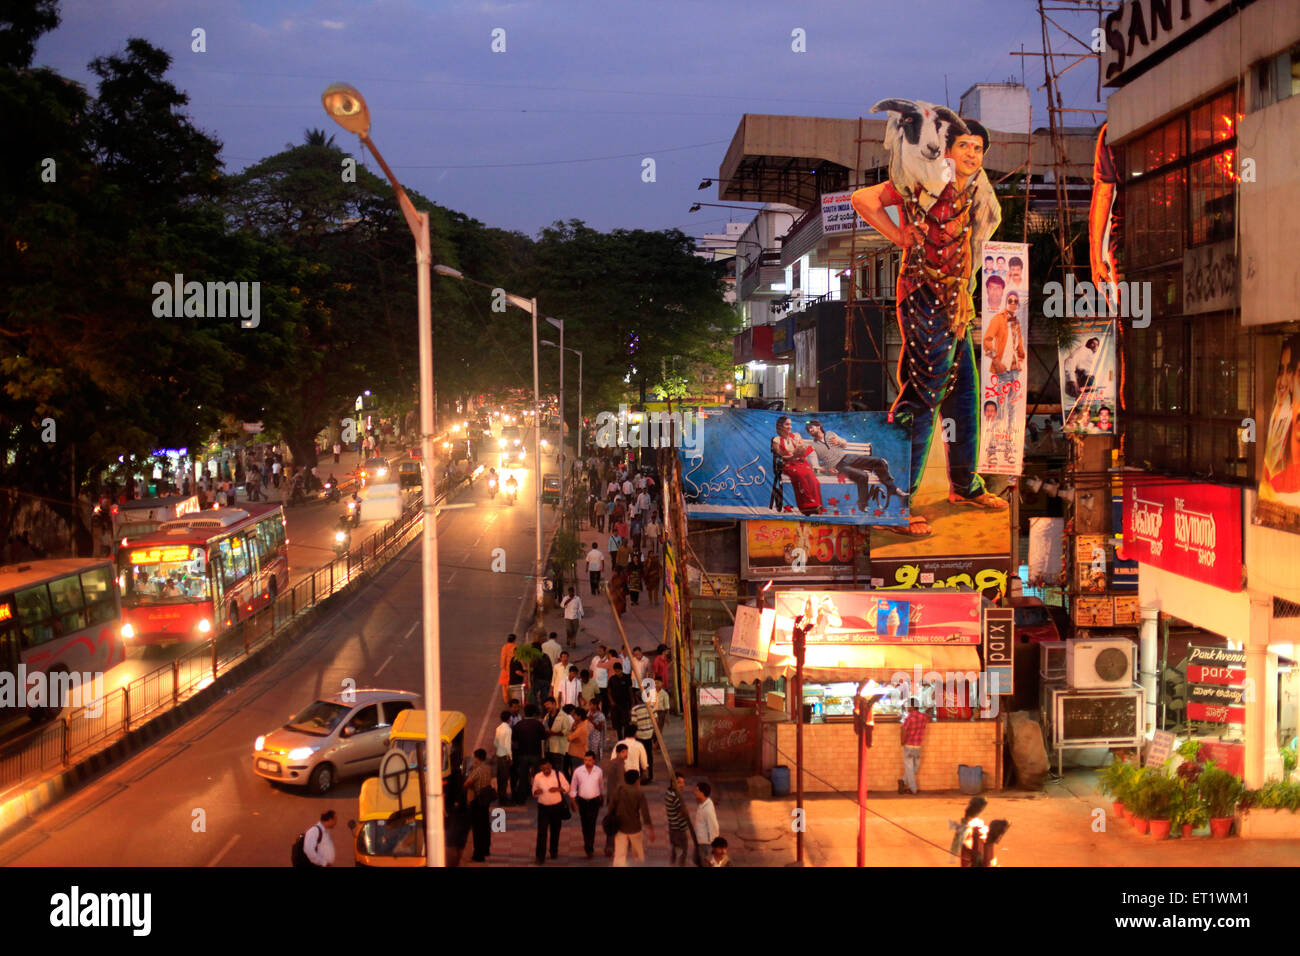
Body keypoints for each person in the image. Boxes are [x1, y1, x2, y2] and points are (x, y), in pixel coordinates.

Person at [851, 113, 1006, 536]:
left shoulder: (975, 188)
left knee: (963, 396)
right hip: (923, 298)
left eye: (978, 148)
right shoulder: (918, 181)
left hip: (957, 303)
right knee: (921, 399)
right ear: (947, 149)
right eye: (965, 147)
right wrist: (899, 237)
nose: (973, 154)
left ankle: (964, 484)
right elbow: (863, 200)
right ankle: (895, 501)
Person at [804, 419, 908, 511]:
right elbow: (815, 466)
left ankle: (892, 489)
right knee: (863, 476)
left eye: (811, 427)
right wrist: (827, 470)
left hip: (848, 457)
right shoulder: (813, 446)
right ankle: (862, 504)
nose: (809, 430)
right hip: (839, 466)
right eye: (808, 429)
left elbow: (844, 444)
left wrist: (839, 441)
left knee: (879, 461)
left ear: (818, 426)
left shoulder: (830, 434)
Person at [771, 416, 822, 515]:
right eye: (787, 424)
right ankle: (807, 506)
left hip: (801, 462)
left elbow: (803, 449)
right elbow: (781, 456)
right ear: (781, 426)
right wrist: (792, 456)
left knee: (813, 480)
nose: (789, 426)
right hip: (788, 464)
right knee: (800, 476)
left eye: (790, 424)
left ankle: (816, 504)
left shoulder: (796, 436)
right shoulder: (776, 440)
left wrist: (800, 449)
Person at [610, 769, 655, 866]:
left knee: (619, 855)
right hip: (635, 828)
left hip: (620, 827)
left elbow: (611, 808)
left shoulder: (618, 791)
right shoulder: (639, 793)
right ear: (636, 780)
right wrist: (650, 829)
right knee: (638, 853)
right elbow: (645, 813)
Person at [531, 758, 570, 864]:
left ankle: (553, 851)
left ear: (551, 766)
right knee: (542, 832)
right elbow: (533, 791)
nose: (546, 770)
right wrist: (536, 792)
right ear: (540, 769)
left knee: (555, 830)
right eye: (544, 769)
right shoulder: (538, 777)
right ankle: (540, 857)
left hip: (557, 807)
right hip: (543, 808)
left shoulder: (558, 774)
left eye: (548, 768)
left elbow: (567, 787)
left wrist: (557, 789)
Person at [570, 751, 605, 858]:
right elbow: (573, 787)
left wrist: (601, 797)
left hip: (594, 801)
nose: (587, 762)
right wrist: (573, 802)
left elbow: (601, 785)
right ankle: (587, 844)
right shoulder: (578, 771)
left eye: (590, 760)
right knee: (585, 824)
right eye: (585, 760)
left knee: (592, 823)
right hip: (583, 801)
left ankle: (590, 847)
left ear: (594, 760)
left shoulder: (598, 771)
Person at [511, 704, 548, 805]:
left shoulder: (519, 725)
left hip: (522, 754)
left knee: (523, 777)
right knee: (538, 776)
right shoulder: (538, 724)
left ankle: (521, 798)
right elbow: (544, 737)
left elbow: (514, 740)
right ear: (534, 713)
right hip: (536, 754)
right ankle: (540, 796)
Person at [465, 748, 495, 862]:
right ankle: (486, 849)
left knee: (477, 828)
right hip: (486, 800)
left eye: (474, 757)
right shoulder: (488, 768)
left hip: (477, 800)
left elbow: (468, 783)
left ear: (477, 758)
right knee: (485, 825)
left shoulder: (477, 770)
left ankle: (478, 854)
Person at [602, 743, 629, 857]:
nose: (626, 754)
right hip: (618, 799)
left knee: (612, 822)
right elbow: (621, 783)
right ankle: (614, 846)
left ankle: (610, 846)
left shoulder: (611, 763)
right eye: (624, 752)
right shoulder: (619, 764)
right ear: (620, 752)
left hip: (611, 797)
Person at [898, 697, 929, 795]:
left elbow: (903, 729)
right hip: (917, 746)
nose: (907, 707)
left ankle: (907, 784)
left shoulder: (909, 718)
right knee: (914, 767)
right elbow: (929, 716)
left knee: (910, 768)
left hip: (908, 746)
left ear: (912, 707)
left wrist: (902, 741)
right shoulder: (923, 717)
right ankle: (908, 785)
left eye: (908, 705)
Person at [951, 796, 989, 866]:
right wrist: (972, 852)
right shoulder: (964, 826)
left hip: (975, 852)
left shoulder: (975, 822)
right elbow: (961, 844)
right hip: (968, 857)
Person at [665, 772, 692, 866]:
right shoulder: (676, 797)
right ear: (673, 783)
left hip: (672, 827)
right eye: (679, 782)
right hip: (679, 829)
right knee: (683, 851)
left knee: (675, 847)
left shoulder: (668, 793)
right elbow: (682, 813)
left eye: (683, 782)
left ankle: (673, 862)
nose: (682, 785)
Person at [631, 692, 656, 782]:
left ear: (637, 698)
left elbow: (634, 723)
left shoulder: (635, 709)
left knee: (640, 756)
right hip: (649, 734)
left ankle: (642, 774)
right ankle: (650, 775)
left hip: (639, 736)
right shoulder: (651, 707)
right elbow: (655, 720)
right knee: (649, 755)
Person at [693, 782, 719, 867]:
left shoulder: (708, 809)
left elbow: (713, 826)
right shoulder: (703, 804)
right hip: (701, 841)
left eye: (697, 790)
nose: (695, 792)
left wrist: (713, 843)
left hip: (706, 843)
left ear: (702, 793)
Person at [493, 710, 513, 804]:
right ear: (509, 719)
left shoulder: (498, 728)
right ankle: (503, 798)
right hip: (505, 756)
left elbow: (495, 743)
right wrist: (511, 757)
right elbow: (508, 745)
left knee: (500, 777)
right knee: (505, 778)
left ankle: (500, 796)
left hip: (498, 754)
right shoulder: (508, 730)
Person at [608, 662, 633, 734]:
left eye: (618, 671)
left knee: (626, 722)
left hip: (625, 703)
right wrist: (611, 701)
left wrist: (632, 702)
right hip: (615, 705)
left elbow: (630, 690)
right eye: (615, 671)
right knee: (617, 724)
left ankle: (627, 738)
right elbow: (609, 692)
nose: (617, 673)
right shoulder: (612, 679)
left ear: (621, 670)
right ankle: (620, 739)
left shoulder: (627, 678)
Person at [565, 705, 589, 779]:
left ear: (580, 716)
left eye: (575, 715)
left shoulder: (581, 728)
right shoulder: (581, 724)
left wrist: (571, 729)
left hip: (578, 754)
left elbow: (569, 738)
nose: (573, 716)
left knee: (577, 775)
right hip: (578, 753)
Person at [497, 633, 518, 704]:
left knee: (504, 688)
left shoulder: (504, 647)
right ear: (514, 640)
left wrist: (503, 667)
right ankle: (512, 701)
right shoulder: (515, 647)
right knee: (511, 687)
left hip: (505, 670)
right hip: (513, 670)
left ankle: (507, 701)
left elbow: (503, 660)